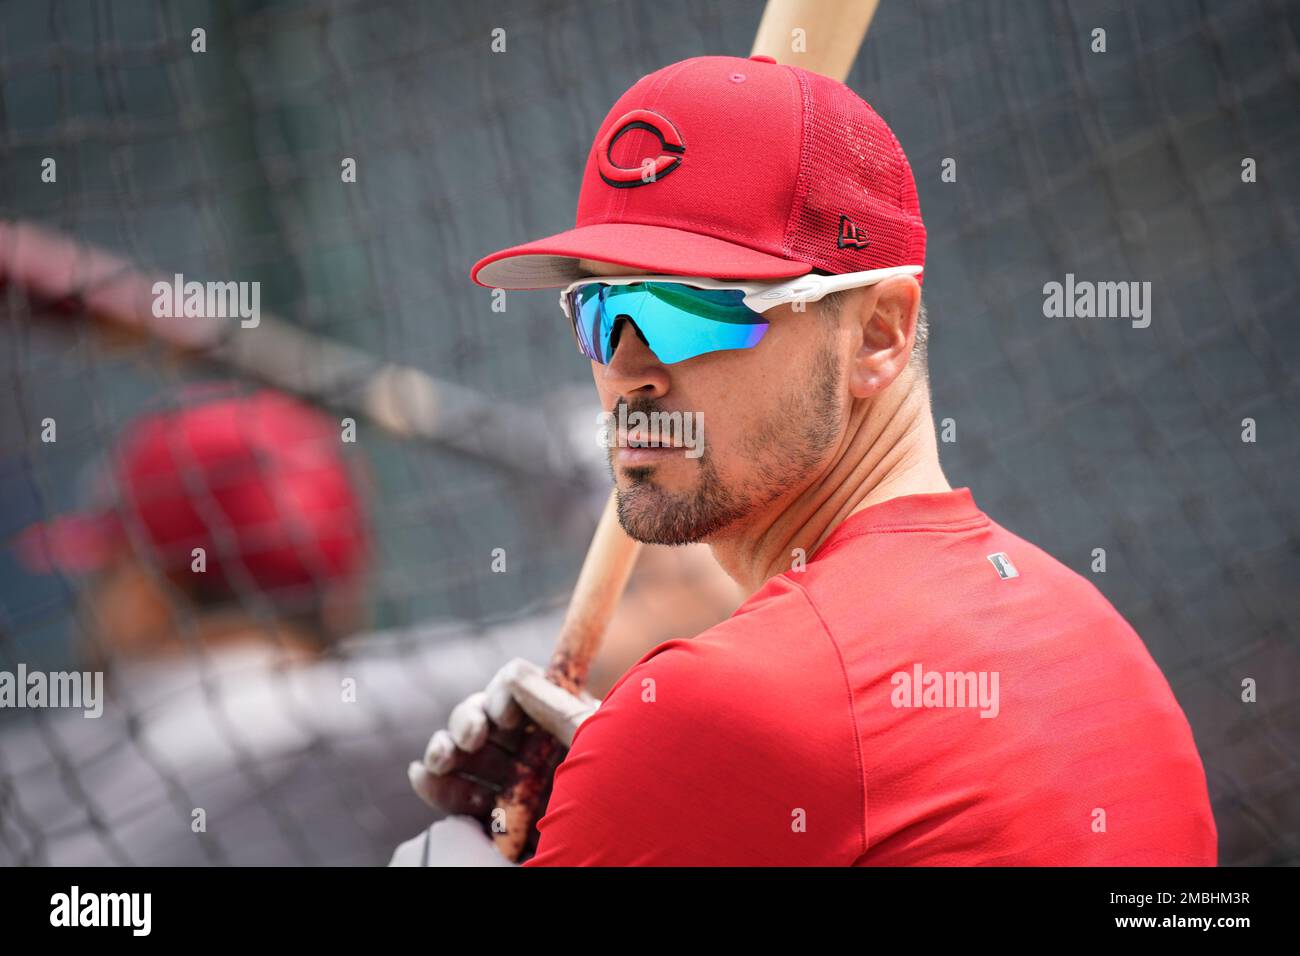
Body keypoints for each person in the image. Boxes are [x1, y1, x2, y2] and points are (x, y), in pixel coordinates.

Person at [395, 55, 1217, 866]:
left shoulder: (716, 716)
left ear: (877, 334)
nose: (626, 369)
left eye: (691, 307)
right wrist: (629, 794)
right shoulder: (1100, 645)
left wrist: (612, 795)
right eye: (597, 308)